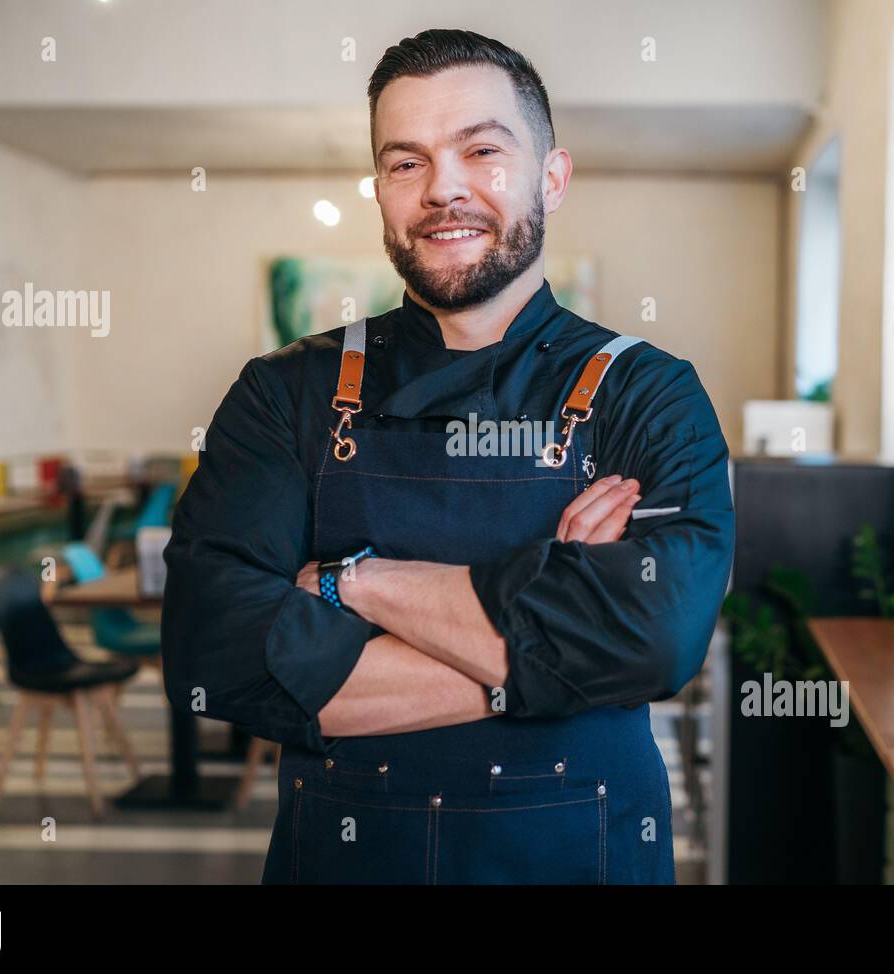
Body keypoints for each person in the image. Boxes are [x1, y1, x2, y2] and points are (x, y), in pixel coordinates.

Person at [161, 27, 734, 884]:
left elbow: (657, 639)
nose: (444, 190)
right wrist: (564, 646)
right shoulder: (286, 392)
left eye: (481, 150)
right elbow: (213, 655)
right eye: (406, 163)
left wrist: (346, 582)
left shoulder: (648, 394)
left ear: (552, 176)